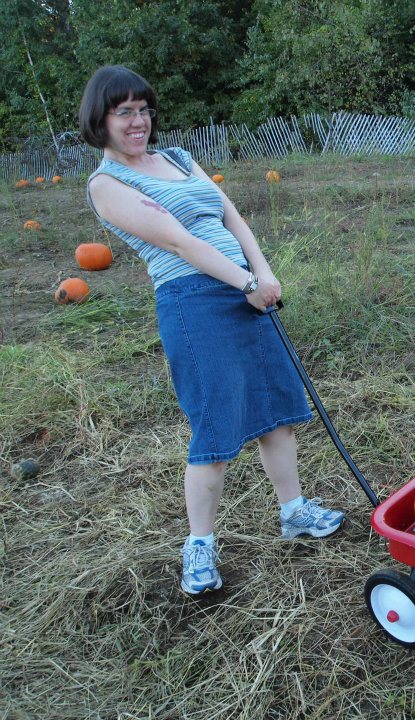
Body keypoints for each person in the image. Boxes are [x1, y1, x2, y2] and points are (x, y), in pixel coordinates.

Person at [79, 65, 344, 595]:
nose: (138, 122)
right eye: (123, 112)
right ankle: (199, 545)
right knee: (215, 429)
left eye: (143, 109)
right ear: (100, 119)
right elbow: (179, 243)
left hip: (245, 289)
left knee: (276, 410)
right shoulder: (108, 184)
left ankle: (292, 511)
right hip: (194, 303)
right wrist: (245, 280)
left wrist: (263, 273)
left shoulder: (177, 159)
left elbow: (231, 218)